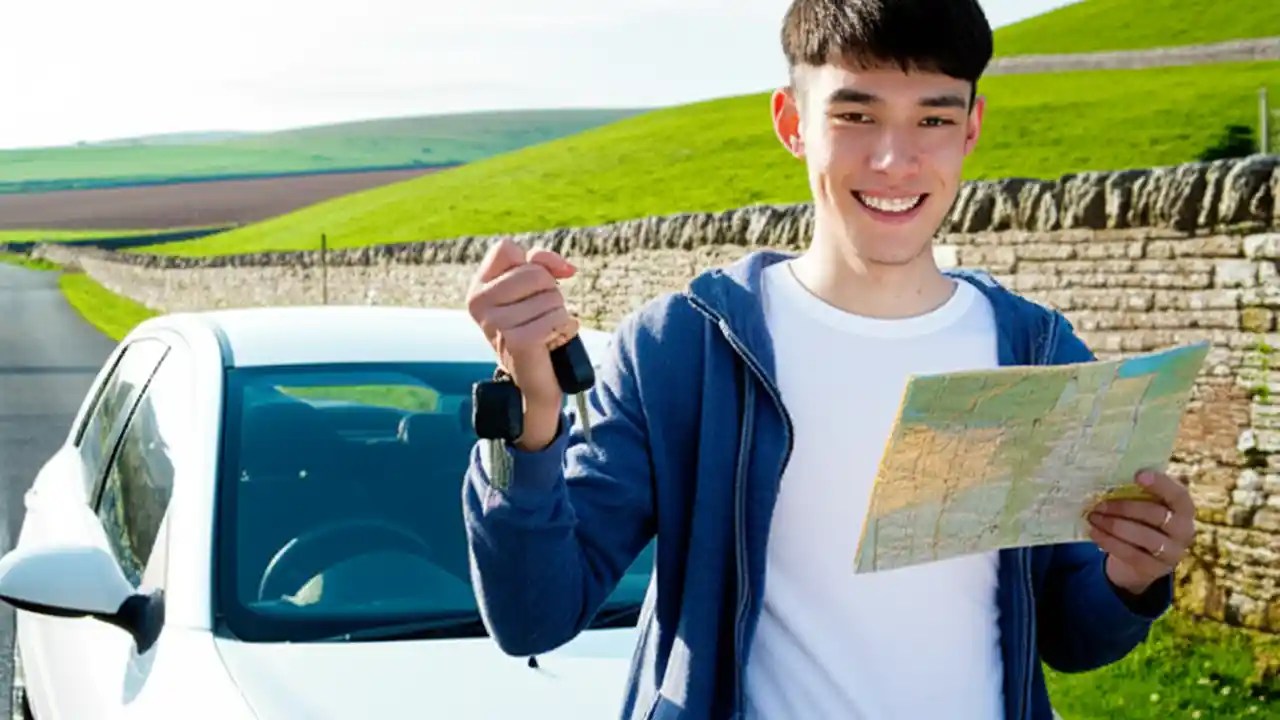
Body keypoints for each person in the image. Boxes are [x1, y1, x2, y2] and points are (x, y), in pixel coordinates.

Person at [460, 1, 1198, 718]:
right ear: (792, 123)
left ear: (971, 127)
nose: (894, 160)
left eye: (933, 119)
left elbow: (1072, 636)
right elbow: (534, 617)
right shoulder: (682, 349)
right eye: (856, 115)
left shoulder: (1039, 354)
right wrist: (530, 421)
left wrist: (1130, 578)